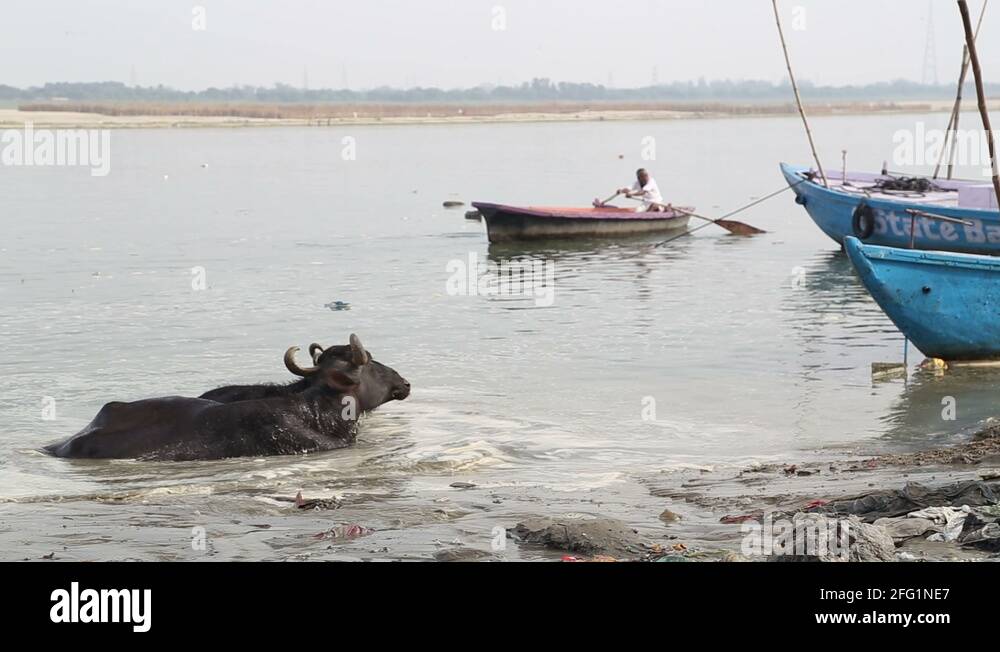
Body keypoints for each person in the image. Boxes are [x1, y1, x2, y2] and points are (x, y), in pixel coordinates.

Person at [594, 168, 669, 211]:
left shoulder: (651, 181)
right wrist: (621, 191)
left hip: (657, 202)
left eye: (646, 175)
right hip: (646, 203)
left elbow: (642, 192)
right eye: (643, 176)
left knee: (653, 207)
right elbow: (628, 189)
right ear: (639, 178)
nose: (646, 177)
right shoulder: (637, 182)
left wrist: (631, 194)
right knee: (636, 212)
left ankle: (665, 209)